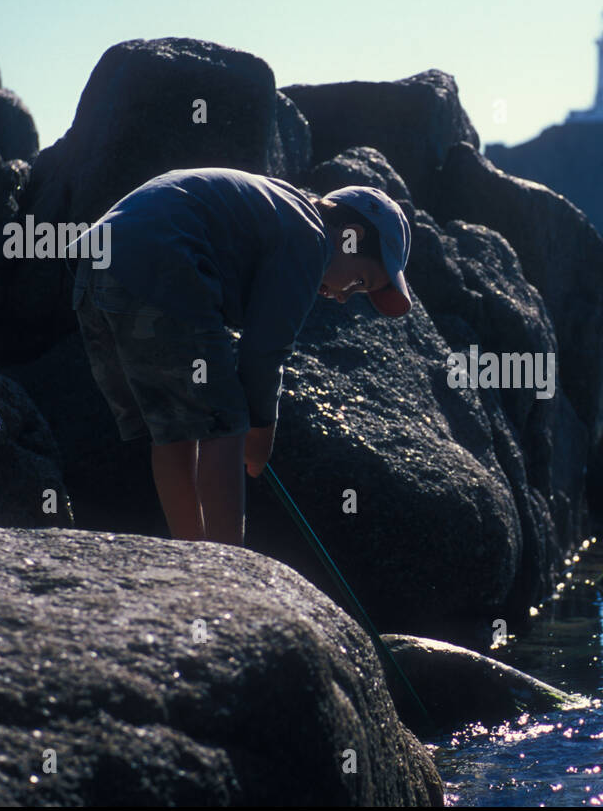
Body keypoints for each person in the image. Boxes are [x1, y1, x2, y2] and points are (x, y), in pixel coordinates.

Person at [69, 166, 412, 546]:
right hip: (163, 265)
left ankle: (192, 554)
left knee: (174, 429)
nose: (346, 296)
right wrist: (261, 431)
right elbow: (265, 351)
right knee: (226, 422)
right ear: (351, 237)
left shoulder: (280, 205)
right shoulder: (311, 240)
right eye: (361, 281)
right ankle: (226, 565)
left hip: (98, 265)